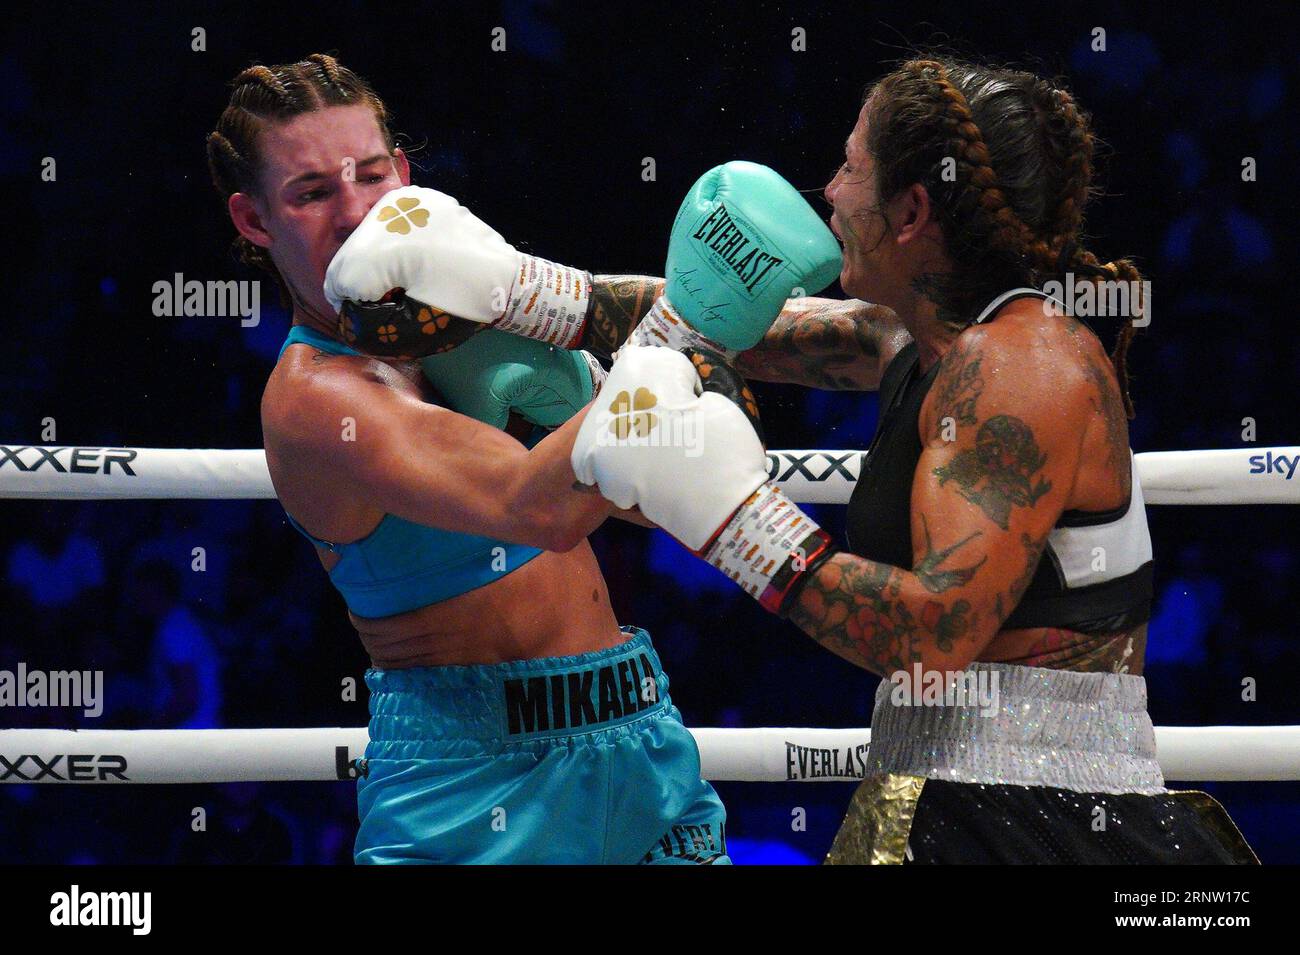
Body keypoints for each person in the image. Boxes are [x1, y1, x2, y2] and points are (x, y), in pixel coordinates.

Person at [572, 56, 1258, 864]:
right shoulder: (912, 336)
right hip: (946, 789)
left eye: (851, 166)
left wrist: (731, 520)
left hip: (1045, 819)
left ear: (911, 210)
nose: (826, 189)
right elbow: (725, 319)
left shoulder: (1021, 368)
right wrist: (510, 291)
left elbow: (933, 633)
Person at [207, 54, 854, 863]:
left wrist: (731, 317)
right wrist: (674, 341)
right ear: (254, 219)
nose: (354, 212)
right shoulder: (315, 399)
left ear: (405, 174)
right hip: (477, 787)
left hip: (640, 739)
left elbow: (629, 488)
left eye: (371, 177)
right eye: (311, 194)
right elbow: (533, 504)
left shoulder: (467, 301)